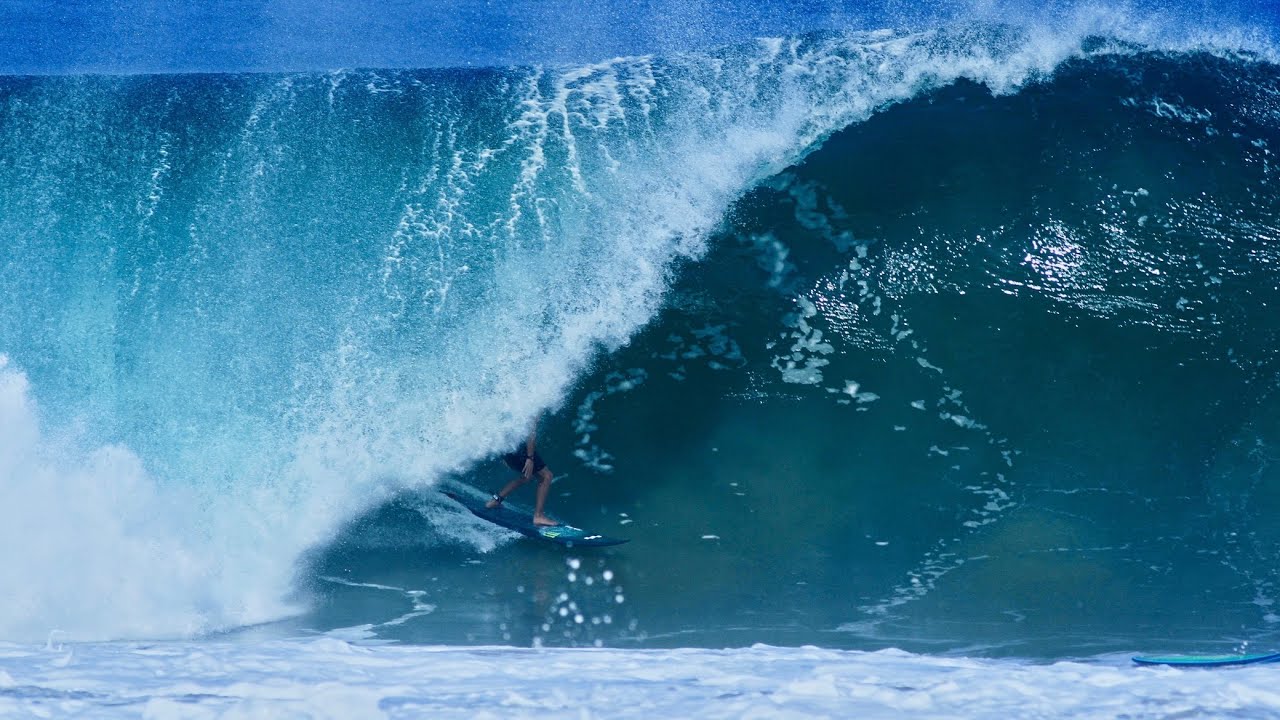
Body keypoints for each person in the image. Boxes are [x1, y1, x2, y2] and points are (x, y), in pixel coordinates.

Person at [486, 417, 558, 526]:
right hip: (521, 450)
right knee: (546, 476)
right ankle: (538, 516)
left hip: (508, 448)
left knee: (527, 476)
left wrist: (503, 456)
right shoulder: (533, 405)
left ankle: (495, 501)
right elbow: (530, 433)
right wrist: (530, 458)